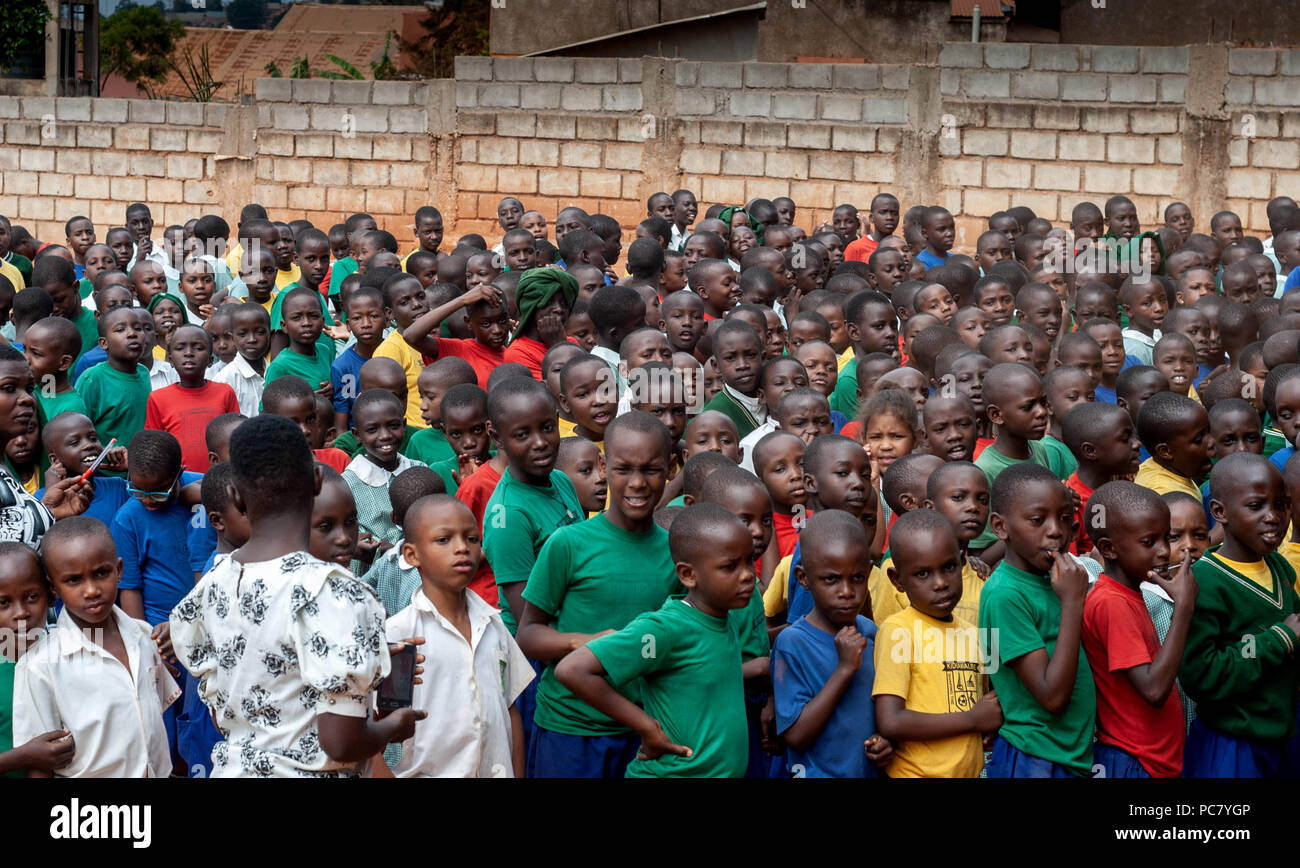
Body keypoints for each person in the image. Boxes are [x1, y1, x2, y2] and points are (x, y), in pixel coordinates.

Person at [170, 414, 420, 777]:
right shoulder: (335, 592)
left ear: (236, 497)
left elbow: (234, 705)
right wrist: (396, 726)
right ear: (316, 480)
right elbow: (342, 743)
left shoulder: (211, 585)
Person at [518, 412, 682, 777]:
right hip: (570, 729)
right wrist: (588, 643)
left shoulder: (677, 553)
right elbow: (528, 635)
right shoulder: (569, 544)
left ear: (671, 469)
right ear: (605, 466)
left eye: (651, 470)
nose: (637, 483)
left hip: (645, 731)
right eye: (624, 469)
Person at [556, 503, 752, 777]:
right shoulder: (666, 629)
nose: (747, 575)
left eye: (749, 561)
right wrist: (647, 727)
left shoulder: (724, 616)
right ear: (687, 575)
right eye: (730, 566)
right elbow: (573, 669)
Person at [14, 517, 179, 777]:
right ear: (53, 588)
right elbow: (40, 764)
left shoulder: (144, 636)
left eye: (101, 573)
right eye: (74, 580)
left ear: (119, 570)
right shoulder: (39, 666)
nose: (91, 590)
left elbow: (149, 717)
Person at [384, 494, 532, 777]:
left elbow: (509, 707)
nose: (462, 548)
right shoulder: (400, 634)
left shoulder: (493, 623)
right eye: (444, 540)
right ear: (412, 555)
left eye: (472, 539)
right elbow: (370, 728)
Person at [1180, 453, 1300, 777]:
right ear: (1220, 512)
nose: (1274, 517)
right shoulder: (1205, 582)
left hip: (1282, 732)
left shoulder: (1278, 566)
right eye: (1256, 506)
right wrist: (1279, 639)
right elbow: (1201, 675)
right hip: (1234, 744)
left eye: (1282, 504)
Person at [980, 462, 1095, 777]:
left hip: (1069, 754)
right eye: (1037, 520)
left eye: (1064, 518)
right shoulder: (1006, 594)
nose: (1056, 530)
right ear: (1001, 527)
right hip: (1036, 757)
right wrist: (1072, 602)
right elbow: (1052, 697)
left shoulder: (1054, 579)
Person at [872, 509, 1000, 778]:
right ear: (898, 581)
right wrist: (972, 720)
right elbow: (890, 721)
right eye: (922, 574)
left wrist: (988, 726)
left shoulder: (975, 634)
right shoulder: (898, 630)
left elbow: (988, 702)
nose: (941, 583)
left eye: (949, 567)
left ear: (962, 561)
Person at [1083, 481, 1193, 778]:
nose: (1164, 551)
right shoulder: (1110, 602)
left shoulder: (1130, 593)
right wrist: (1183, 608)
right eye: (1148, 542)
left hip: (1152, 759)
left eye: (1165, 538)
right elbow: (1154, 689)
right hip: (1133, 760)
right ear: (1108, 548)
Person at [770, 510, 892, 777]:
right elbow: (797, 735)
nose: (847, 592)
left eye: (857, 578)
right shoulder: (792, 643)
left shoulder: (870, 631)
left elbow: (880, 710)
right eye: (831, 580)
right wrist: (844, 669)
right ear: (803, 578)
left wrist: (886, 741)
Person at [481, 377, 583, 635]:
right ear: (497, 437)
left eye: (547, 427)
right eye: (522, 434)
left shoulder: (560, 480)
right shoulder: (508, 516)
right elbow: (529, 624)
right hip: (543, 652)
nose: (540, 442)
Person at [0, 542, 73, 778]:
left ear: (51, 595)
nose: (20, 612)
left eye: (32, 597)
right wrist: (24, 756)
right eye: (4, 603)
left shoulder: (68, 656)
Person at [145, 324, 239, 473]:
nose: (188, 353)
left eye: (198, 348)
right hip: (178, 481)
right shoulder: (158, 398)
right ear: (170, 359)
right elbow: (155, 447)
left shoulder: (225, 392)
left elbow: (235, 439)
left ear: (210, 360)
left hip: (220, 477)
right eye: (180, 348)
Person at [342, 389, 428, 547]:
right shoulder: (347, 484)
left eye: (393, 426)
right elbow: (350, 535)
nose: (385, 435)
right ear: (357, 434)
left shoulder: (419, 470)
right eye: (372, 430)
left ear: (404, 425)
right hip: (372, 570)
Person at [74, 305, 151, 450]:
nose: (132, 334)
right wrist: (105, 451)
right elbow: (76, 430)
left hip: (139, 467)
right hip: (104, 470)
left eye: (138, 328)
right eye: (120, 330)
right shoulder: (92, 379)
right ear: (104, 343)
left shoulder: (143, 373)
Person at [1133, 391, 1215, 498]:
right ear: (1165, 451)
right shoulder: (1166, 495)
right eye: (1198, 440)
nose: (1212, 442)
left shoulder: (1170, 468)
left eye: (1209, 431)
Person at [212, 302, 270, 419]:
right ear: (233, 338)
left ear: (271, 334)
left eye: (259, 332)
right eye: (242, 334)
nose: (252, 339)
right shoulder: (225, 380)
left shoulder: (274, 371)